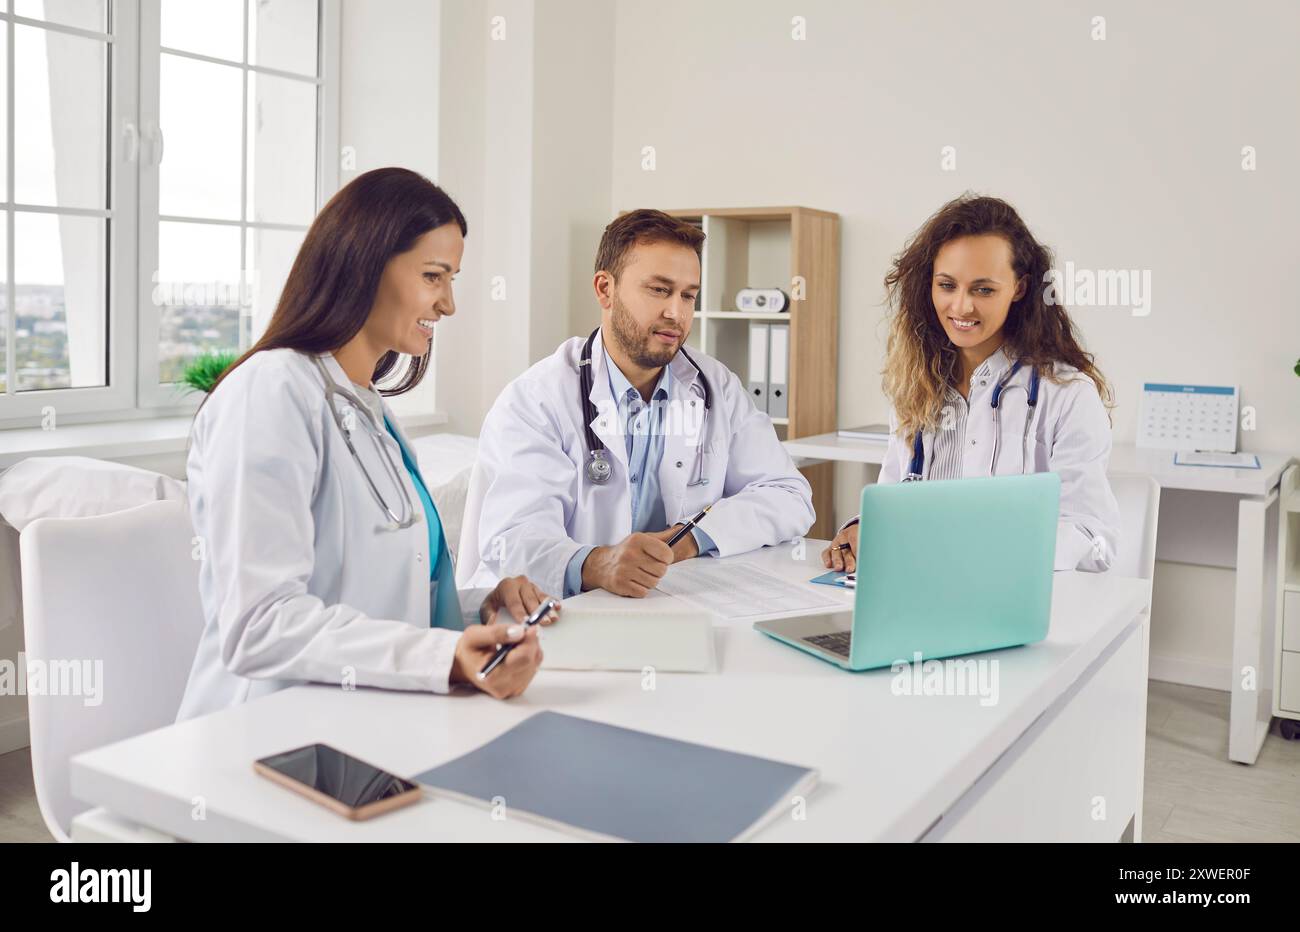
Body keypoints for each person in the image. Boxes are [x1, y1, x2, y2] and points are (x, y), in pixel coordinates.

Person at [177, 167, 556, 721]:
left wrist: (482, 605)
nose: (448, 303)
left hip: (367, 718)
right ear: (364, 266)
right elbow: (259, 624)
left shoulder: (365, 406)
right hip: (263, 733)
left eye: (452, 279)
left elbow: (372, 592)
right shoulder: (270, 391)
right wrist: (443, 655)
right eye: (434, 276)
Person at [461, 209, 815, 599]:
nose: (676, 313)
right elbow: (513, 540)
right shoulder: (535, 400)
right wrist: (597, 563)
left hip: (672, 600)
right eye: (659, 290)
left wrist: (691, 539)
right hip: (562, 614)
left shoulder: (716, 386)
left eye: (688, 295)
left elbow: (789, 494)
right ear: (604, 289)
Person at [822, 194, 1119, 574]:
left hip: (1008, 594)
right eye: (947, 285)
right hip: (919, 586)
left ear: (1020, 288)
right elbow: (894, 497)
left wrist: (994, 553)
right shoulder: (915, 383)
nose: (961, 307)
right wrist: (864, 529)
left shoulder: (1066, 395)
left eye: (983, 289)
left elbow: (1093, 535)